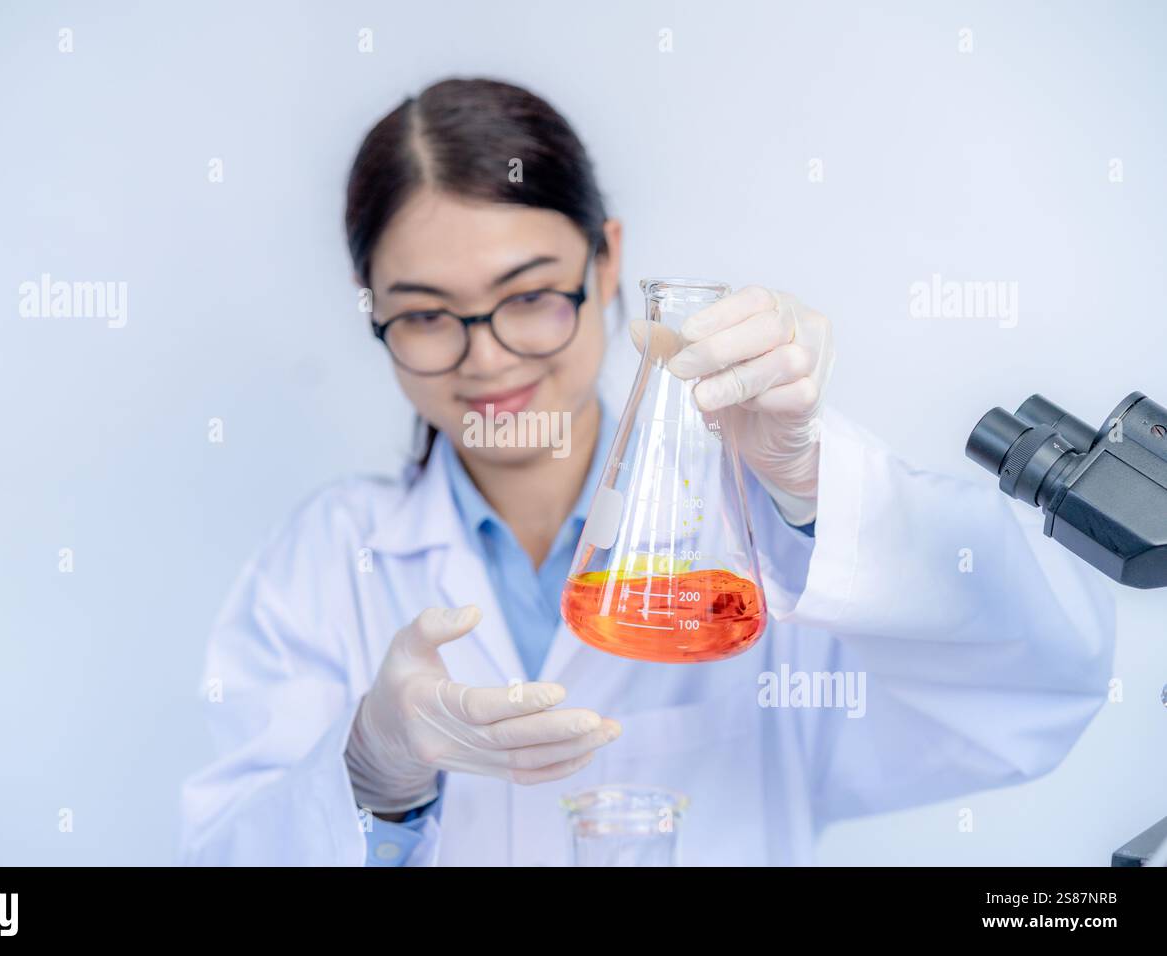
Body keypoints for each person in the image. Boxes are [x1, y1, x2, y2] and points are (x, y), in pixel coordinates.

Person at [177, 77, 1113, 866]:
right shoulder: (323, 564)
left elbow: (1038, 688)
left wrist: (810, 487)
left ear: (608, 259)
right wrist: (370, 777)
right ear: (372, 313)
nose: (488, 358)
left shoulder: (755, 540)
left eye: (532, 296)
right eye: (425, 314)